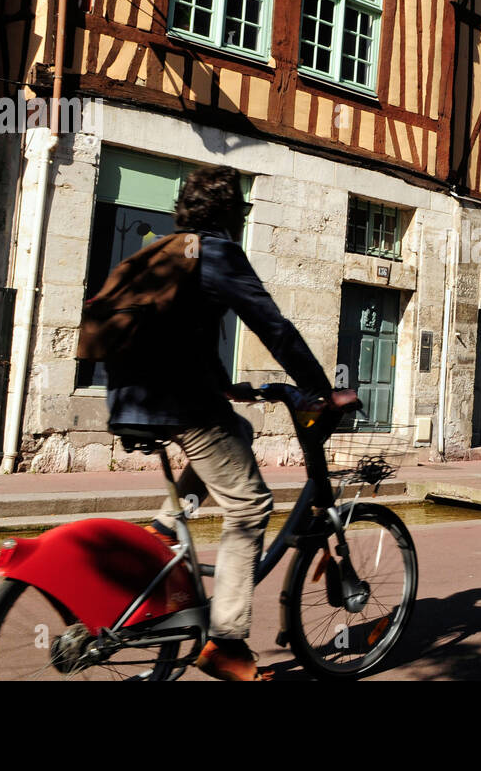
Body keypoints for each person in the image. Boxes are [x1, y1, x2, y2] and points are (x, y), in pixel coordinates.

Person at [104, 164, 357, 681]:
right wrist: (318, 392)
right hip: (176, 401)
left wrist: (225, 386)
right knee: (251, 506)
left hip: (132, 400)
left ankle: (164, 530)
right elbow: (274, 328)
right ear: (232, 215)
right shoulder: (217, 253)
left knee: (236, 428)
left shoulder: (166, 251)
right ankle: (227, 642)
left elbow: (183, 332)